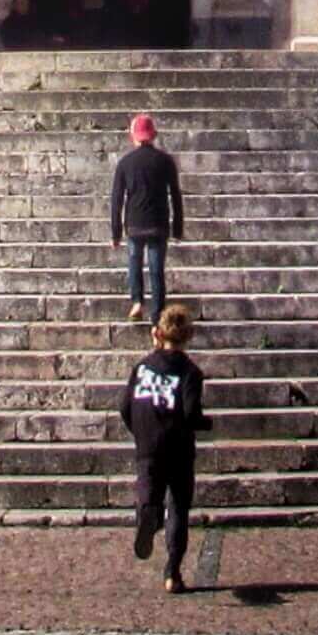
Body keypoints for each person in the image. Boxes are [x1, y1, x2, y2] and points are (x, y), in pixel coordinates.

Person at [122, 305, 208, 591]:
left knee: (149, 489)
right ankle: (173, 572)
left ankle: (148, 513)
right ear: (188, 335)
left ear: (158, 333)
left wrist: (140, 431)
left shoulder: (142, 367)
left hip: (148, 442)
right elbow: (190, 413)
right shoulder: (190, 372)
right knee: (179, 507)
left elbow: (124, 406)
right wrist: (206, 423)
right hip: (178, 445)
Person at [110, 112, 182, 325]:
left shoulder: (125, 163)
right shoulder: (165, 161)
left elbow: (116, 200)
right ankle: (157, 314)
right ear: (154, 135)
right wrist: (178, 228)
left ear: (132, 136)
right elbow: (175, 195)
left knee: (134, 263)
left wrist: (116, 232)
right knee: (156, 269)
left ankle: (137, 302)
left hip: (135, 224)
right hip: (158, 224)